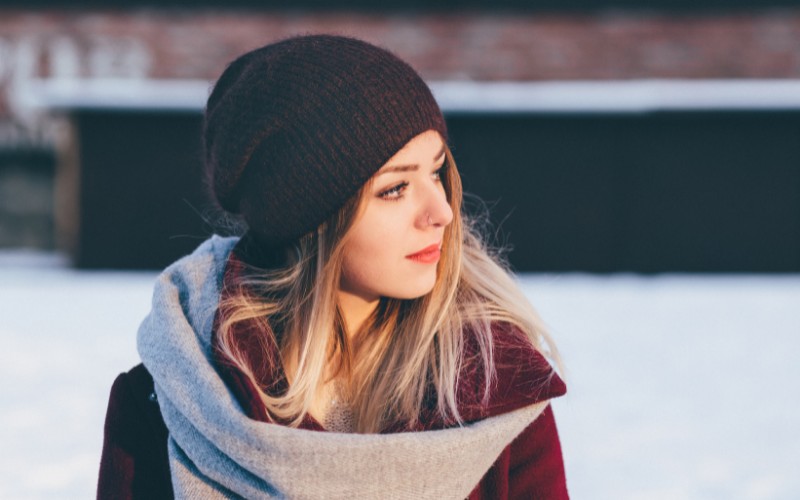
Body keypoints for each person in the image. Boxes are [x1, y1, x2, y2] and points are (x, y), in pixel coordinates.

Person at [97, 34, 568, 499]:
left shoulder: (495, 396)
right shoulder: (170, 405)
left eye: (437, 171)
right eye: (394, 189)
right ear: (310, 221)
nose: (441, 212)